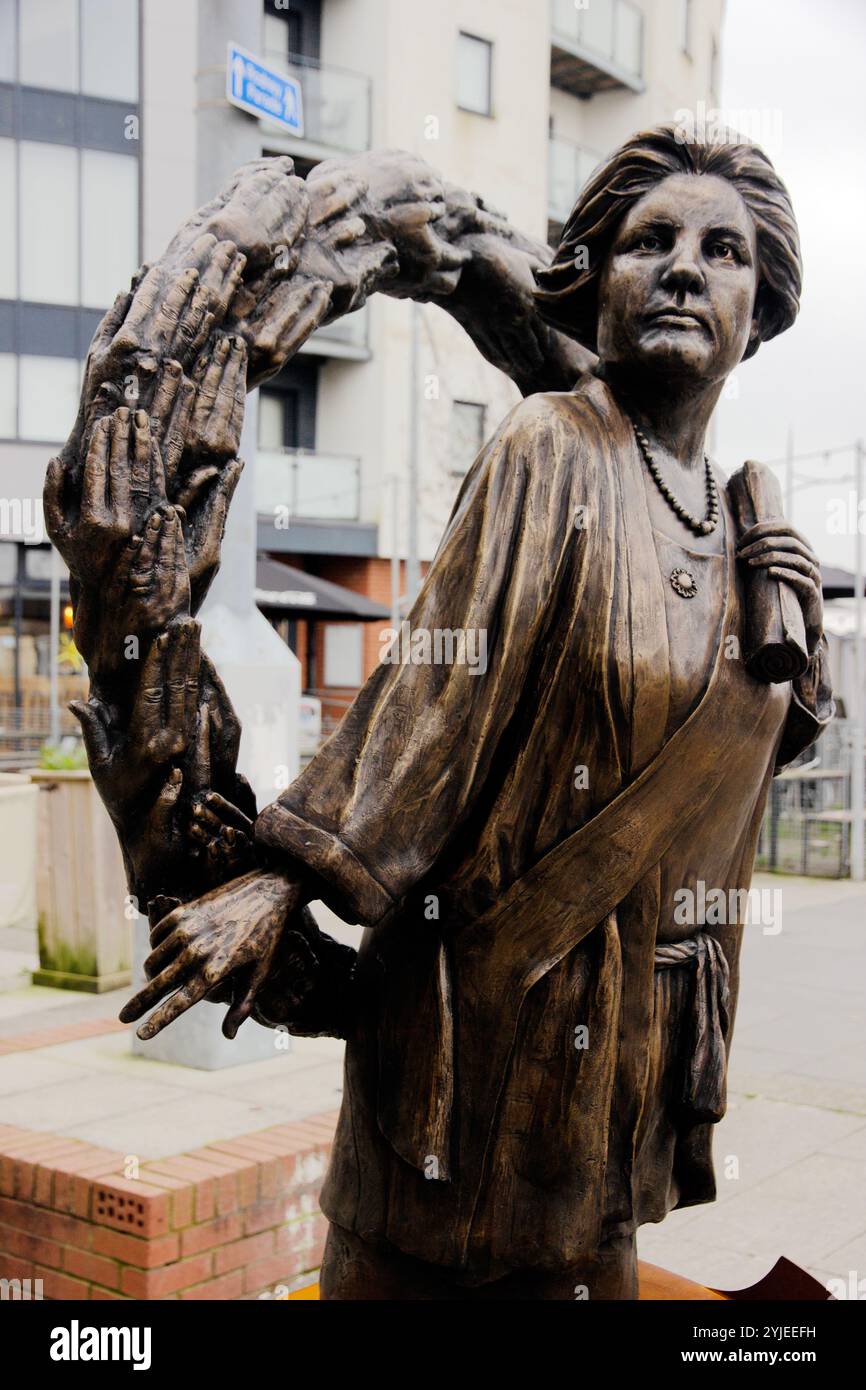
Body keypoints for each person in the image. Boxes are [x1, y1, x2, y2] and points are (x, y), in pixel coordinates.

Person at [123, 126, 833, 1299]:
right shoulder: (546, 449)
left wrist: (793, 668)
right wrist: (284, 875)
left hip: (629, 1058)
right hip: (476, 1027)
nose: (682, 267)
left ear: (759, 312)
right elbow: (433, 699)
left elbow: (720, 780)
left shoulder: (745, 527)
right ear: (589, 279)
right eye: (645, 240)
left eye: (723, 250)